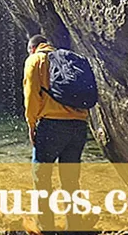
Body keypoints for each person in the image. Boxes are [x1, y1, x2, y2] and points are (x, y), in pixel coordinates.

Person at [23, 34, 90, 232]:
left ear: (32, 48)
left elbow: (31, 96)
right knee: (70, 179)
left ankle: (45, 227)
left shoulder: (35, 60)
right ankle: (74, 226)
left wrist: (31, 124)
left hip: (51, 126)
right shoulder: (72, 59)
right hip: (79, 125)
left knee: (41, 176)